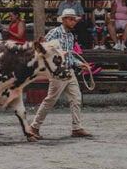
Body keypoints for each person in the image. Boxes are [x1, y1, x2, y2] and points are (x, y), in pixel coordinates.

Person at [29, 8, 92, 139]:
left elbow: (70, 55)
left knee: (76, 98)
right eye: (70, 19)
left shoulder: (70, 36)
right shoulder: (55, 32)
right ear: (63, 20)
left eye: (74, 19)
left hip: (69, 70)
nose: (73, 21)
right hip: (58, 72)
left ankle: (76, 127)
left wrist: (79, 64)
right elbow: (43, 48)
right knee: (51, 99)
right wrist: (57, 53)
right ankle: (34, 126)